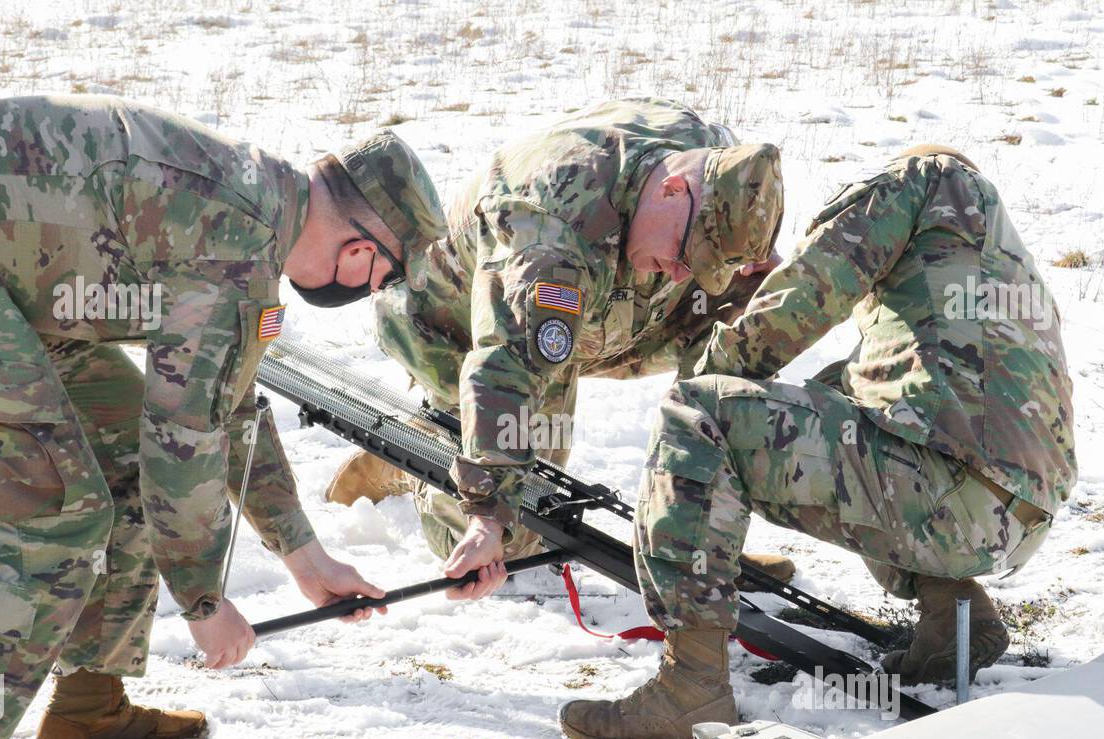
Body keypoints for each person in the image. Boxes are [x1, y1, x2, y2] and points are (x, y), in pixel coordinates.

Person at [0, 95, 444, 739]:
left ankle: (87, 707)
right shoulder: (238, 241)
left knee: (117, 455)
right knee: (42, 529)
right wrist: (204, 600)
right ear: (363, 254)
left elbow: (225, 403)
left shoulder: (258, 205)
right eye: (382, 277)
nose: (365, 288)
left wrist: (303, 554)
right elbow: (185, 437)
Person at [560, 145, 1077, 739]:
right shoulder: (992, 250)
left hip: (949, 498)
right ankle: (954, 611)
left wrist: (698, 410)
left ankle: (689, 689)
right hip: (1014, 519)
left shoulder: (913, 184)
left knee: (701, 412)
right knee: (844, 388)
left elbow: (802, 297)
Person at [322, 98, 793, 600]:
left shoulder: (712, 165)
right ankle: (408, 461)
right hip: (454, 324)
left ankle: (698, 542)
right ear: (672, 191)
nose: (681, 273)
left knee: (739, 319)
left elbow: (734, 236)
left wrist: (750, 271)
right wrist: (485, 516)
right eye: (684, 254)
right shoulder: (547, 224)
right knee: (517, 536)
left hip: (601, 303)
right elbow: (508, 364)